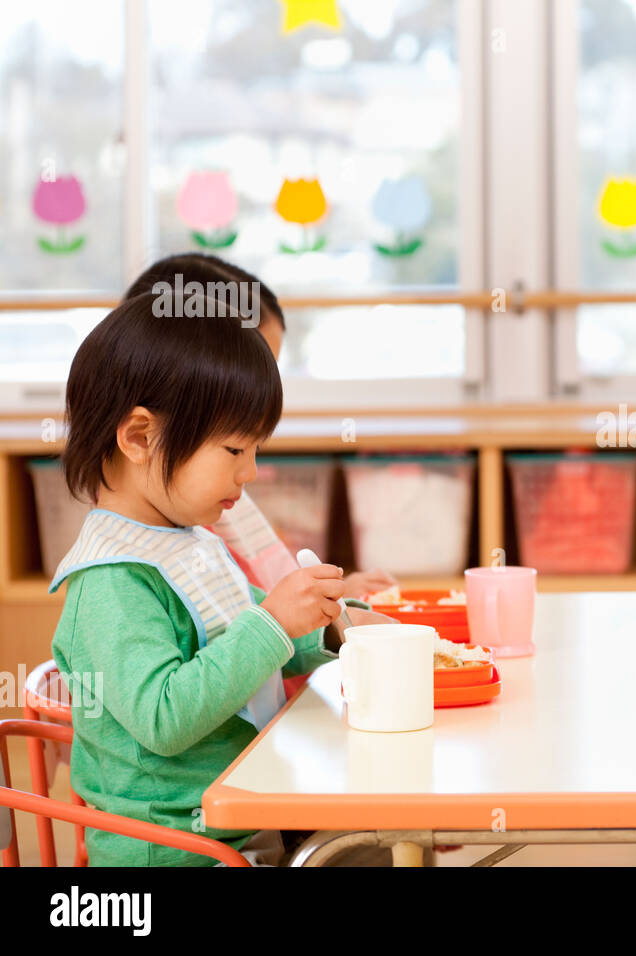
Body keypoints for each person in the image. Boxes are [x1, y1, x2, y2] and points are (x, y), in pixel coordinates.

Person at [49, 292, 389, 865]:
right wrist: (274, 621)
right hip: (178, 853)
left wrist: (333, 630)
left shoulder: (185, 539)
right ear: (138, 437)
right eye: (234, 447)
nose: (250, 470)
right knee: (374, 846)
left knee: (380, 841)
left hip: (244, 822)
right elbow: (164, 717)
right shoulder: (111, 580)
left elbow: (243, 625)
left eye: (255, 448)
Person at [123, 253, 396, 600]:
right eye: (250, 367)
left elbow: (262, 605)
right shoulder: (141, 553)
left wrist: (332, 605)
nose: (260, 388)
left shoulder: (204, 491)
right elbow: (245, 633)